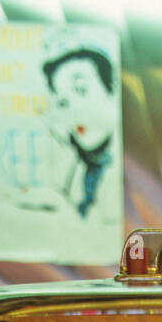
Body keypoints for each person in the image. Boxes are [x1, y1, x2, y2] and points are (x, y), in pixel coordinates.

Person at [41, 47, 117, 219]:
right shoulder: (70, 162)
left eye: (81, 90)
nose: (73, 111)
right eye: (64, 102)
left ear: (113, 88)